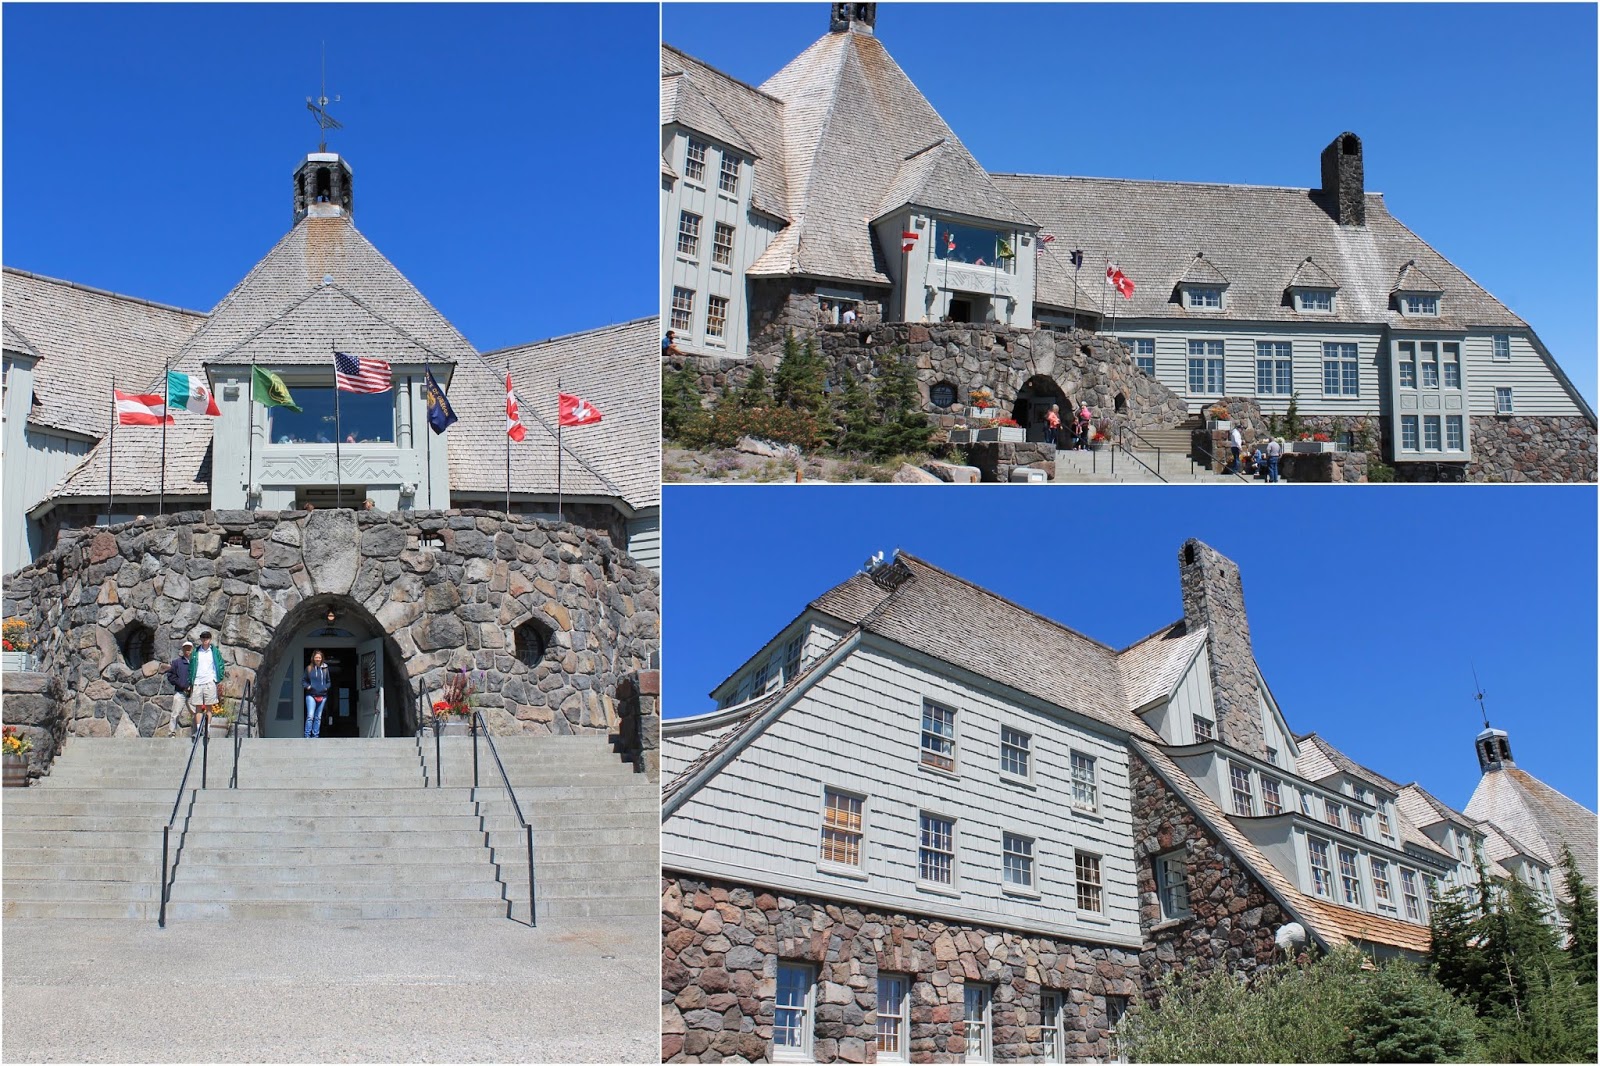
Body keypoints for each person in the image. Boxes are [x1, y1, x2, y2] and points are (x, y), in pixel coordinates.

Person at [189, 631, 225, 716]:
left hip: (209, 682)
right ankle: (198, 725)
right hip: (198, 682)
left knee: (209, 707)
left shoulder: (215, 651)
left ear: (210, 639)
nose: (205, 639)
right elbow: (191, 666)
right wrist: (191, 680)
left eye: (207, 637)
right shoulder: (196, 651)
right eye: (203, 637)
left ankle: (208, 725)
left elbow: (220, 664)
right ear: (201, 639)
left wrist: (217, 678)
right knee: (198, 708)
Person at [164, 639, 194, 737]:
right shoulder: (176, 662)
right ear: (182, 650)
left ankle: (196, 733)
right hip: (180, 692)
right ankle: (171, 733)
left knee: (195, 713)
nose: (187, 651)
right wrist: (182, 685)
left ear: (192, 650)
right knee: (175, 713)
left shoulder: (195, 663)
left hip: (193, 692)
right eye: (186, 649)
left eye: (189, 649)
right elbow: (170, 676)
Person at [304, 650, 331, 739]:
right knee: (310, 716)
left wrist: (326, 687)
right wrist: (308, 687)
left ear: (322, 658)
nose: (318, 659)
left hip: (322, 695)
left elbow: (328, 682)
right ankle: (307, 735)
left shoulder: (325, 669)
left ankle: (315, 735)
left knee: (318, 717)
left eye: (319, 657)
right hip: (311, 695)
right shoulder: (309, 668)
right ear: (313, 658)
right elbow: (304, 681)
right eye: (316, 657)